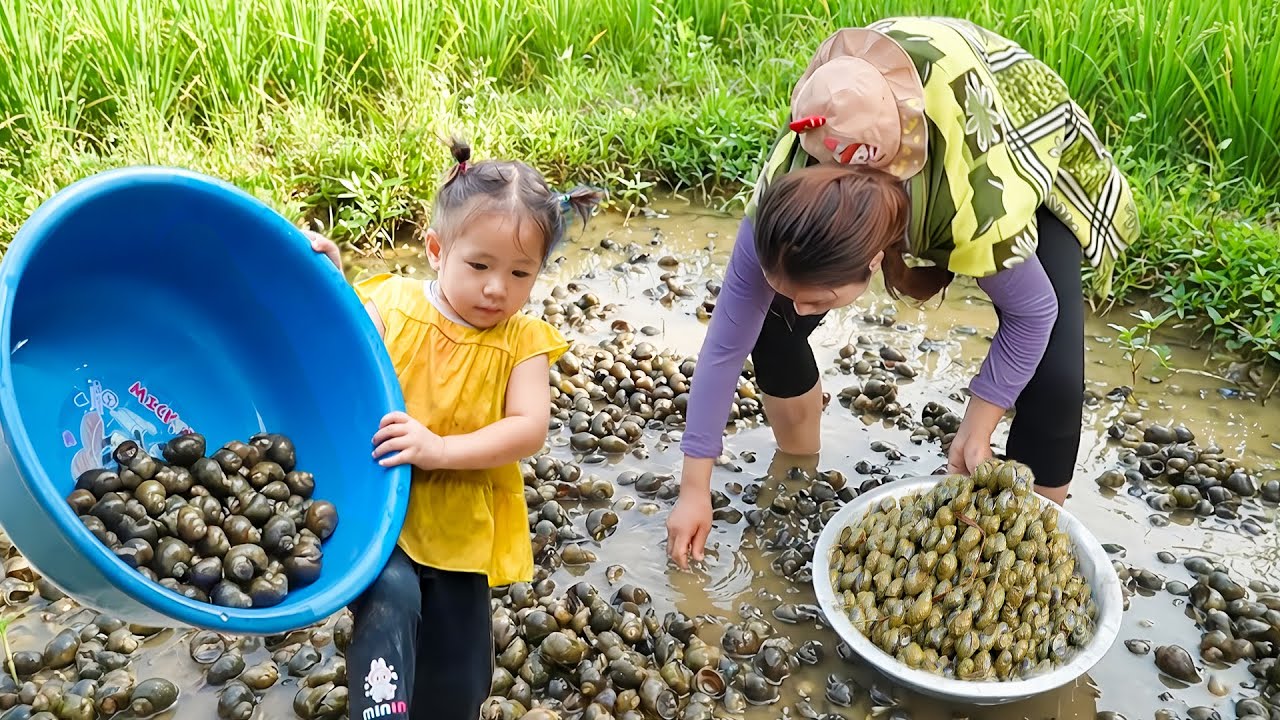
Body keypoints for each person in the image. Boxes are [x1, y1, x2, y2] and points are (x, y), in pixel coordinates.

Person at [666, 17, 1139, 569]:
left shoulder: (968, 200)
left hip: (1009, 130)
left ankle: (1026, 555)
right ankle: (796, 466)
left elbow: (1033, 313)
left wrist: (975, 429)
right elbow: (724, 346)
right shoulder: (783, 196)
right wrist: (693, 487)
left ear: (871, 260)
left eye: (819, 297)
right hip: (876, 105)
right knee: (772, 326)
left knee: (1054, 376)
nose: (803, 306)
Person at [308, 139, 603, 719]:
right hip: (382, 511)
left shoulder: (522, 342)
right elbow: (338, 345)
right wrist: (330, 279)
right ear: (437, 249)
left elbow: (528, 429)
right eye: (480, 266)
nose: (498, 288)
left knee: (463, 665)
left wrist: (439, 449)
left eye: (521, 272)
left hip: (462, 522)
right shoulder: (391, 303)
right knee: (388, 601)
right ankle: (380, 712)